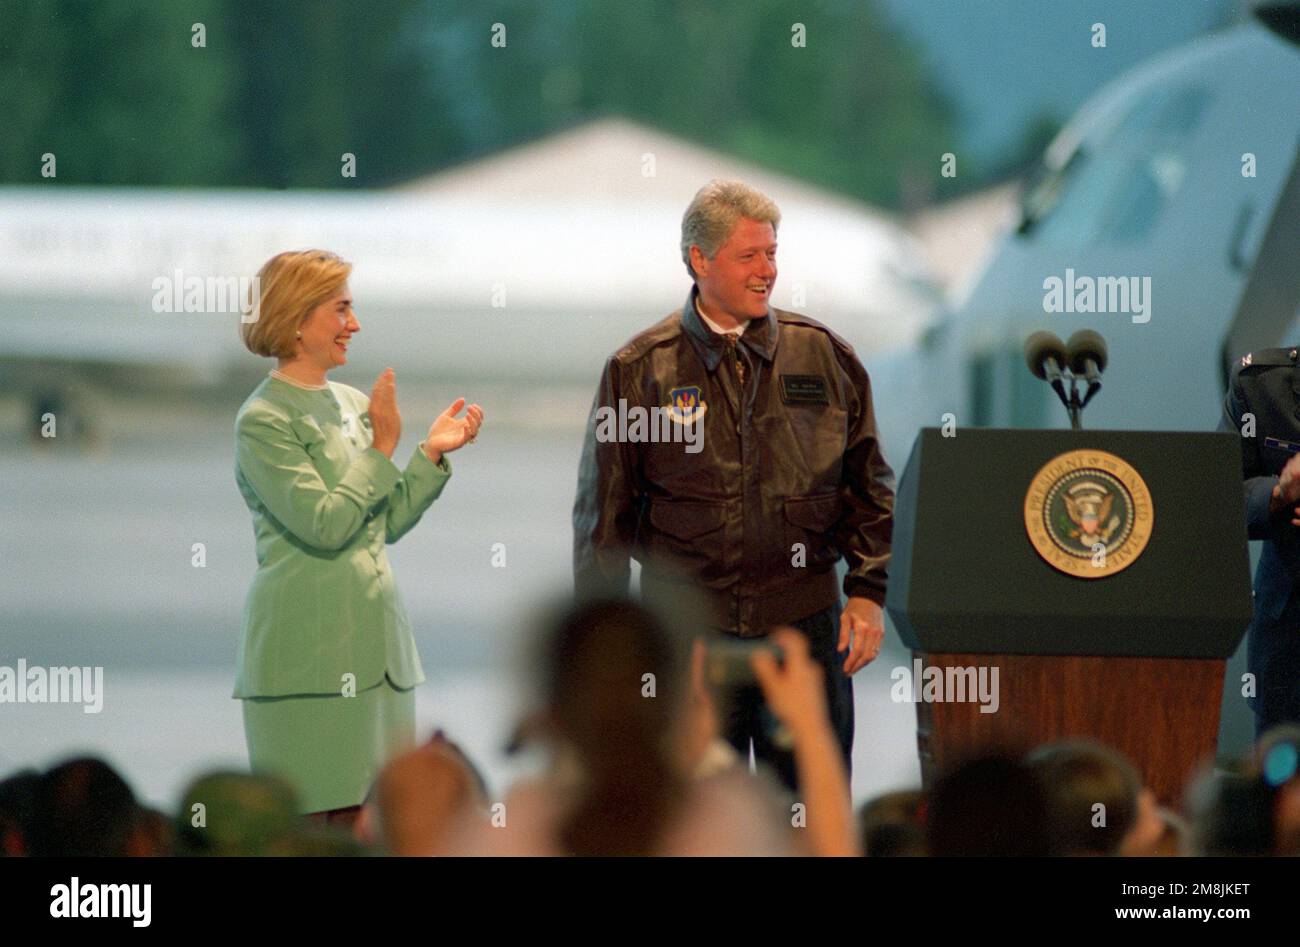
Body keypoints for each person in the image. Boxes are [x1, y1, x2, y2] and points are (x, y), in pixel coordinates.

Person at [572, 179, 895, 790]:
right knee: (695, 828)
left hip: (802, 635)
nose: (767, 271)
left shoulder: (826, 357)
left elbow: (870, 486)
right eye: (750, 256)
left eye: (772, 253)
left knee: (804, 824)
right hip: (686, 638)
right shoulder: (639, 370)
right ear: (700, 260)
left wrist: (869, 594)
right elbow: (602, 524)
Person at [233, 249, 483, 828]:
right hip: (306, 664)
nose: (356, 323)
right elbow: (324, 524)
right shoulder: (263, 420)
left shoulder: (351, 404)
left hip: (377, 658)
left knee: (380, 827)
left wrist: (428, 454)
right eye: (342, 308)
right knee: (316, 831)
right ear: (297, 317)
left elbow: (384, 523)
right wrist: (380, 449)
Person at [1219, 347, 1300, 734]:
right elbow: (1216, 495)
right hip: (1290, 648)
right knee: (1281, 787)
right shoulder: (1259, 385)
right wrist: (1279, 494)